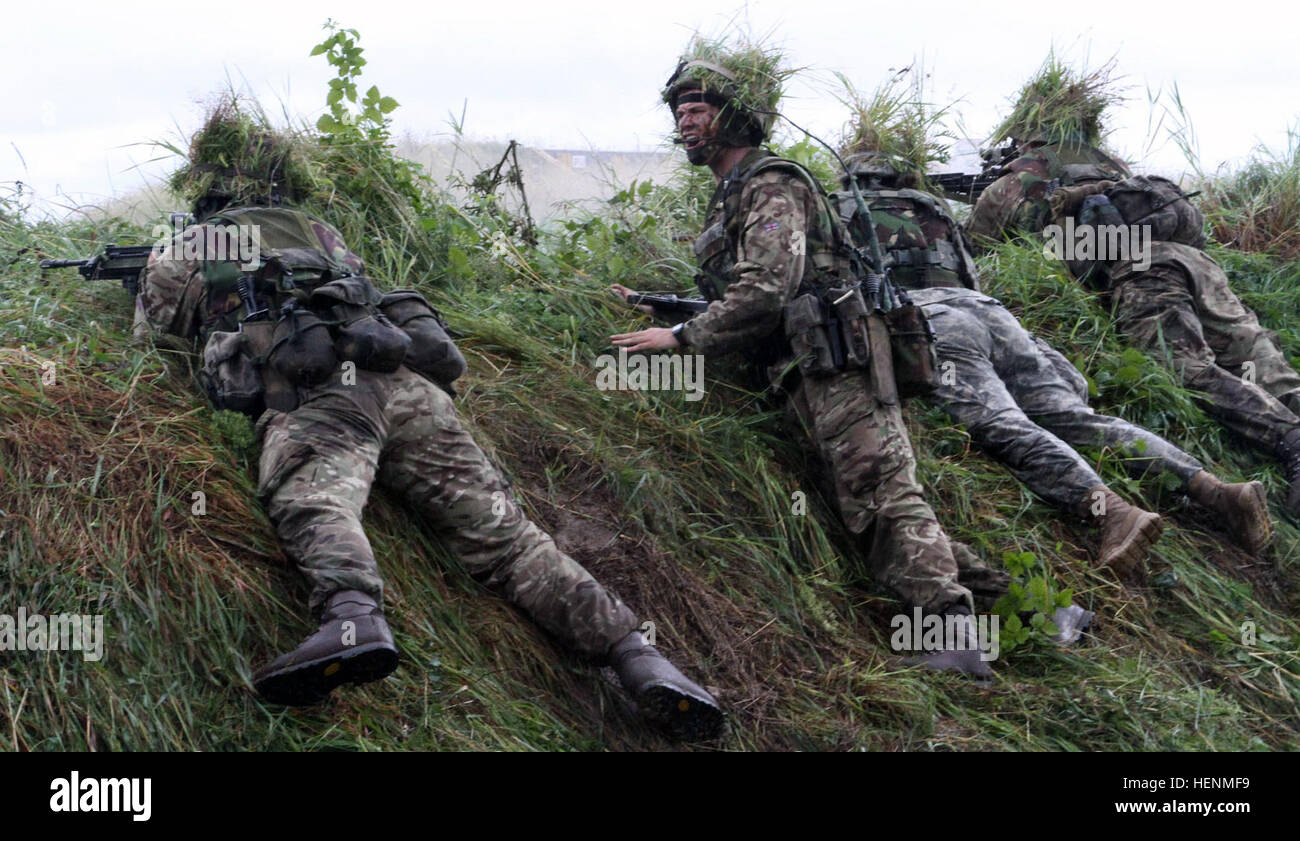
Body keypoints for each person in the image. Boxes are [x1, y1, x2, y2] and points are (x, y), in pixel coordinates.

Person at [135, 105, 723, 740]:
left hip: (320, 395)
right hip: (408, 386)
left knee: (315, 500)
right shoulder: (321, 231)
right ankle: (639, 657)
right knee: (510, 541)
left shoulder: (182, 247)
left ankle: (351, 616)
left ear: (203, 192)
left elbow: (150, 346)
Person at [612, 40, 1004, 677]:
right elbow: (751, 290)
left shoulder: (770, 182)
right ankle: (1030, 615)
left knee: (881, 488)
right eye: (679, 109)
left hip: (838, 359)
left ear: (735, 116)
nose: (685, 120)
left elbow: (768, 289)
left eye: (699, 107)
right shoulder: (737, 191)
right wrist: (663, 308)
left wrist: (681, 341)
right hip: (806, 368)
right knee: (863, 500)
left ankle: (953, 639)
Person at [835, 149, 1272, 569]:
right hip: (989, 313)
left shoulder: (837, 210)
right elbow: (972, 271)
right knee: (1076, 416)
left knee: (1002, 424)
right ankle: (1216, 490)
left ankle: (1113, 514)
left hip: (929, 319)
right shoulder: (934, 208)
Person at [966, 60, 1300, 517]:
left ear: (1025, 137)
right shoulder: (1111, 166)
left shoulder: (1012, 182)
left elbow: (981, 254)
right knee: (1251, 351)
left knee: (1182, 366)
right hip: (1193, 259)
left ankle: (1289, 439)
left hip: (1142, 267)